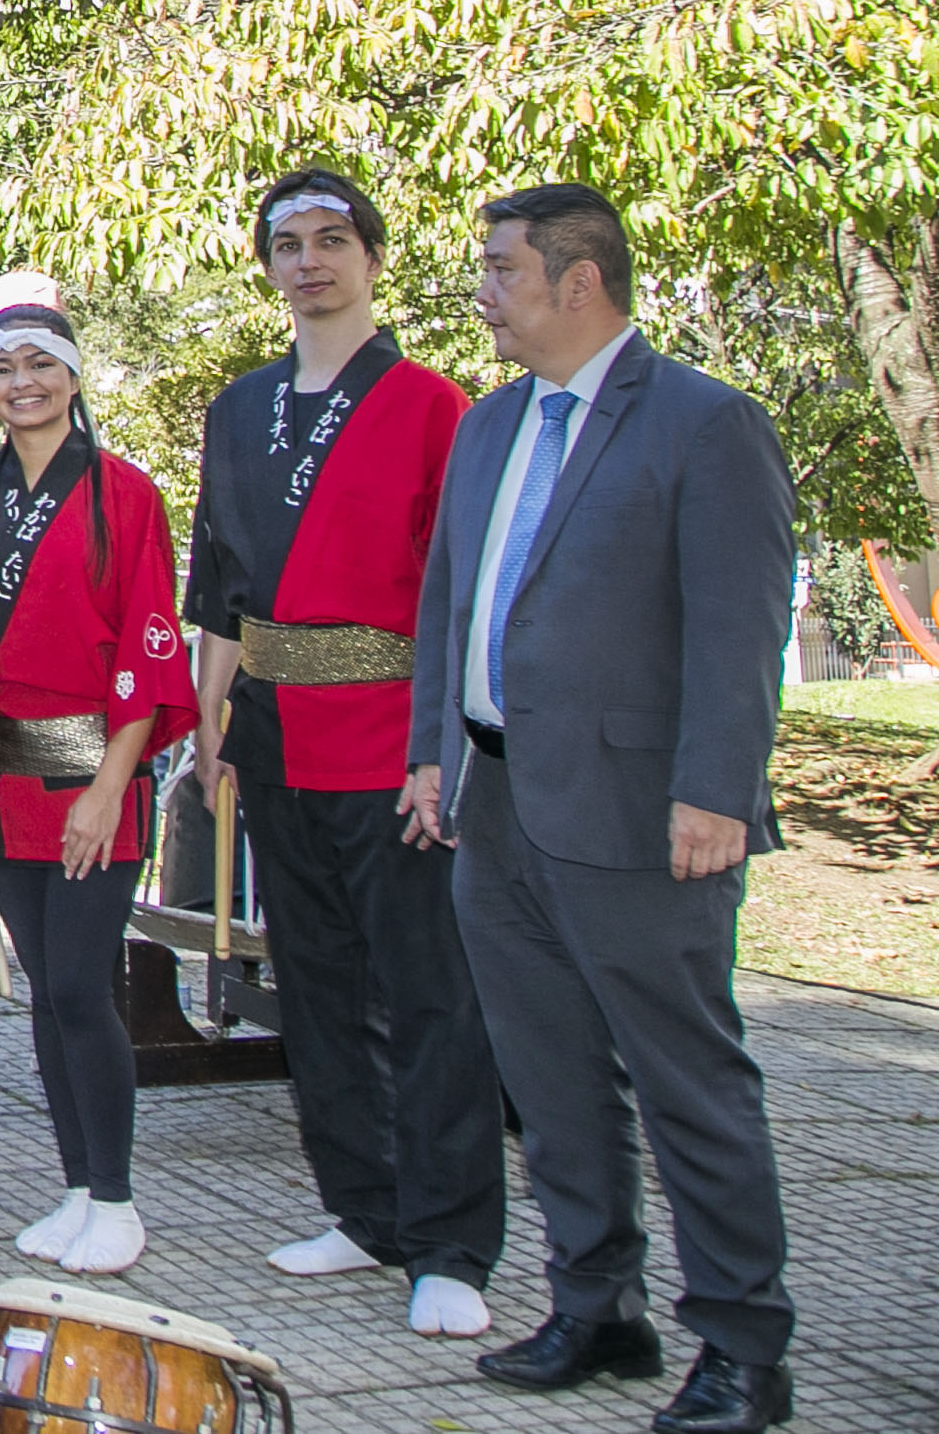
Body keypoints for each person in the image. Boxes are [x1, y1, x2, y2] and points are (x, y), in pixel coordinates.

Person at [403, 186, 798, 1434]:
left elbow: (743, 627)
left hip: (643, 810)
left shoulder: (703, 422)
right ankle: (596, 1308)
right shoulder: (487, 426)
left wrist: (712, 793)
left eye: (501, 270)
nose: (482, 292)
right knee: (551, 1076)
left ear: (580, 283)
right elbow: (449, 609)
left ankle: (742, 1346)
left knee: (687, 1080)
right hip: (497, 798)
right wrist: (431, 756)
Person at [187, 169, 500, 1338]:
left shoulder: (431, 402)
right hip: (272, 729)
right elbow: (217, 582)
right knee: (312, 990)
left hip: (390, 735)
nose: (308, 260)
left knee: (426, 996)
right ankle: (361, 1209)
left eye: (330, 240)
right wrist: (206, 726)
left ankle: (451, 1243)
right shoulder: (238, 406)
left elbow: (454, 593)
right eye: (286, 243)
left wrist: (438, 751)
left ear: (370, 258)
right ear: (266, 266)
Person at [0, 303, 194, 1280]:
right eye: (2, 367)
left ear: (74, 376)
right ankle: (77, 1187)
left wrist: (110, 786)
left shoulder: (122, 494)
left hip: (95, 775)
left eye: (39, 363)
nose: (21, 382)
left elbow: (147, 643)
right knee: (46, 995)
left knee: (86, 990)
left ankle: (117, 1197)